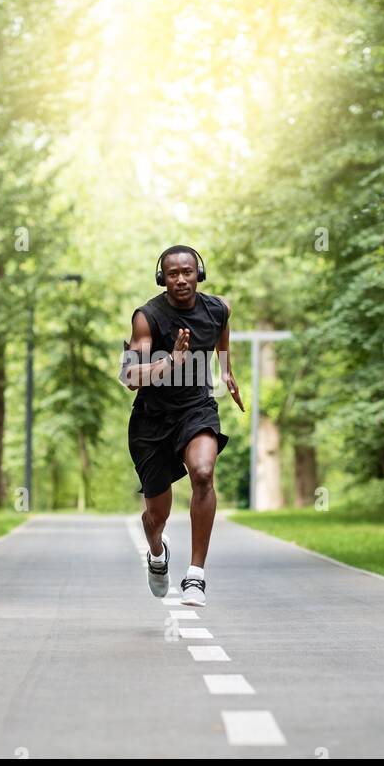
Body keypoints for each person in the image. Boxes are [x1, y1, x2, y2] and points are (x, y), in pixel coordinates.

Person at [122, 245, 244, 607]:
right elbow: (130, 375)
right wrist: (171, 361)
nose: (180, 279)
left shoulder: (218, 308)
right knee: (155, 516)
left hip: (196, 408)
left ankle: (196, 576)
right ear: (163, 278)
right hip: (151, 420)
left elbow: (220, 334)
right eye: (172, 273)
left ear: (198, 273)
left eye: (187, 272)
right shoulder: (148, 317)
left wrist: (226, 370)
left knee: (204, 473)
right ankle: (157, 555)